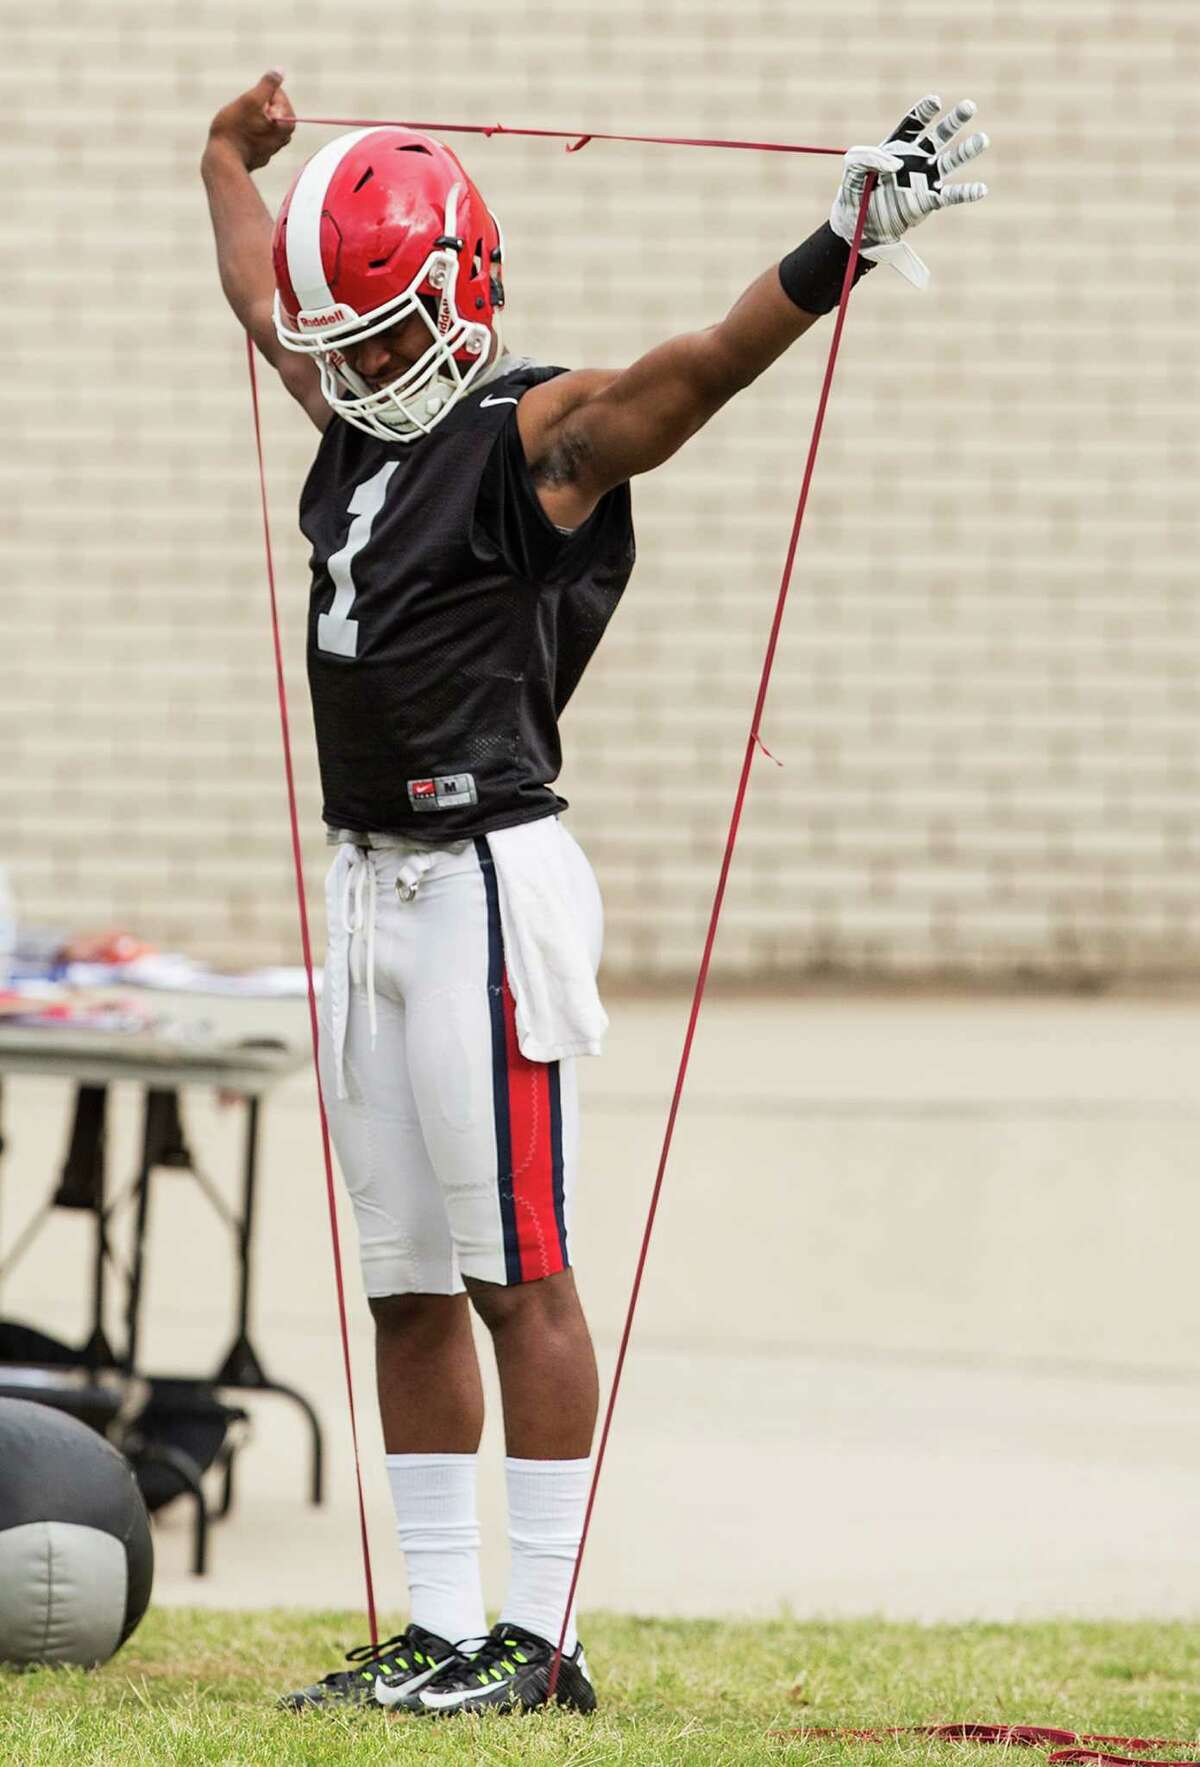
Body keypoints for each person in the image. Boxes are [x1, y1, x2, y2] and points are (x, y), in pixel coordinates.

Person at [201, 72, 988, 1717]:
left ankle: (541, 1635)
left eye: (385, 337)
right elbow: (267, 305)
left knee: (518, 1270)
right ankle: (439, 1624)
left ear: (461, 289)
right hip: (366, 888)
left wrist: (841, 242)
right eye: (345, 346)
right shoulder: (356, 402)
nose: (360, 369)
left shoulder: (536, 438)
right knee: (405, 1279)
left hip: (483, 882)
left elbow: (693, 373)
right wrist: (221, 159)